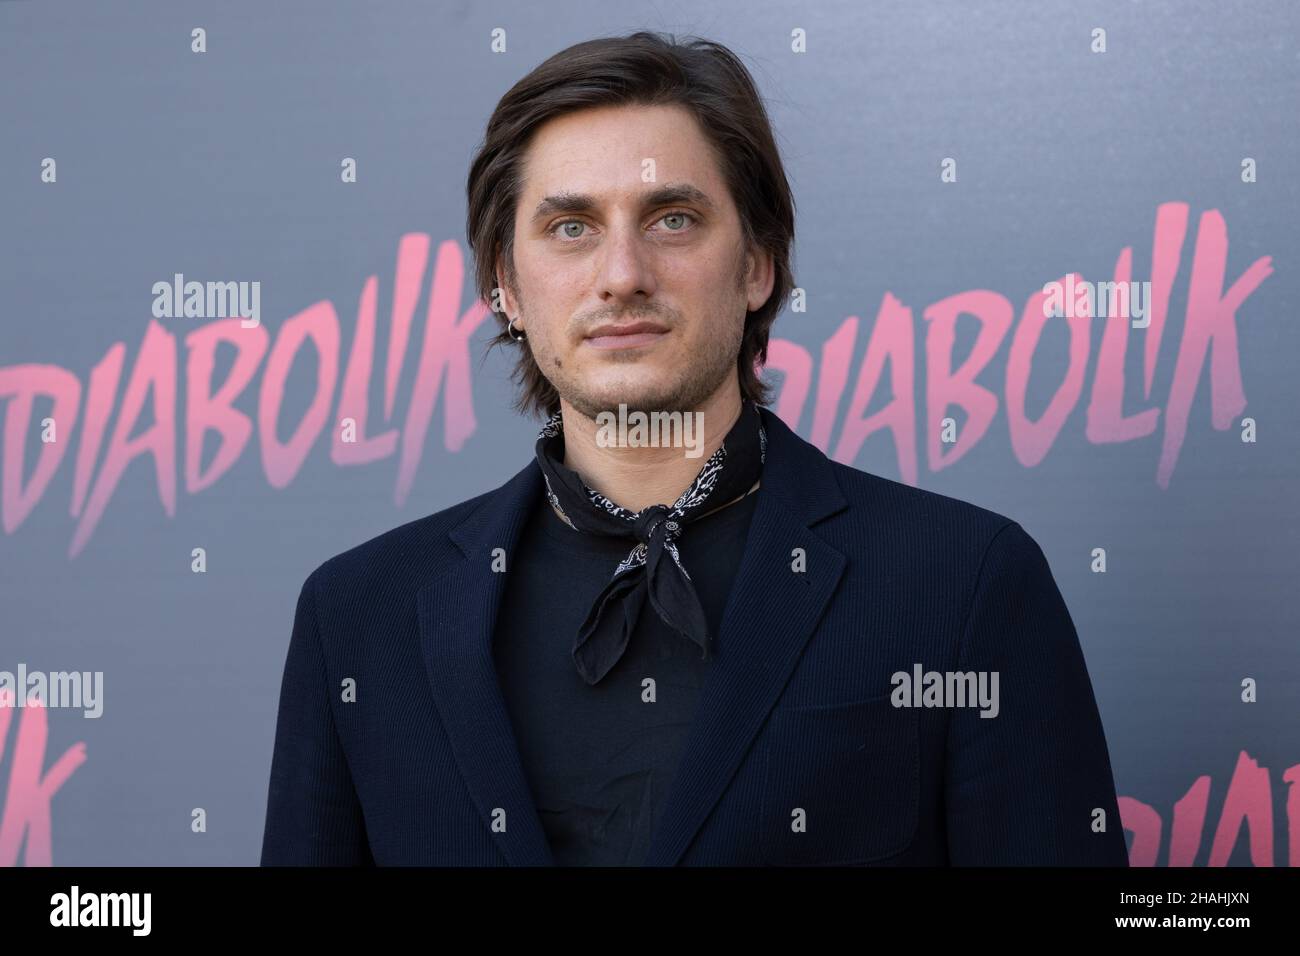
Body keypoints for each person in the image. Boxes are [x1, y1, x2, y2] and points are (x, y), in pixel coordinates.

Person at [260, 31, 1128, 867]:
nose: (622, 273)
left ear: (758, 265)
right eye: (571, 227)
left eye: (672, 220)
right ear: (506, 286)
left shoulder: (964, 583)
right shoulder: (360, 618)